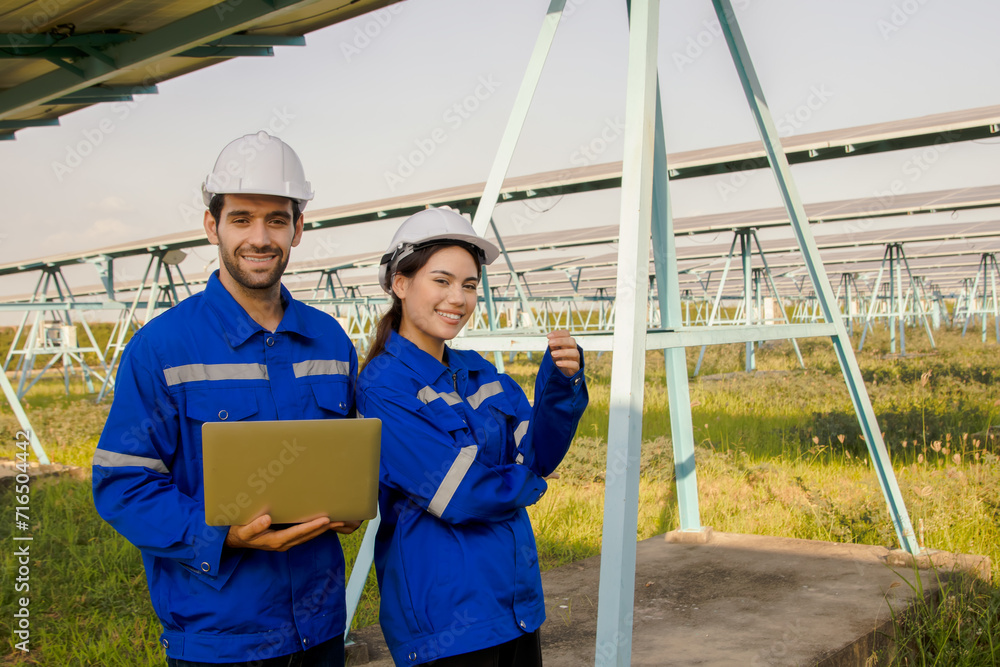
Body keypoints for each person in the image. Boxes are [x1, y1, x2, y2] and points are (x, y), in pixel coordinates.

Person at [93, 131, 360, 666]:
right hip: (219, 639)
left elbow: (348, 456)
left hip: (322, 627)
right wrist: (223, 535)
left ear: (298, 229)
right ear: (212, 225)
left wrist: (351, 503)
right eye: (241, 219)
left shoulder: (330, 340)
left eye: (277, 220)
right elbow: (123, 484)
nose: (259, 238)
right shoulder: (162, 347)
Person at [357, 207, 589, 666]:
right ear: (400, 285)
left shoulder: (478, 371)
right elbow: (458, 494)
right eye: (441, 281)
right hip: (448, 622)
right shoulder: (383, 387)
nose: (457, 298)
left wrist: (561, 386)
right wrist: (529, 482)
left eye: (468, 285)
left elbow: (537, 451)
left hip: (515, 605)